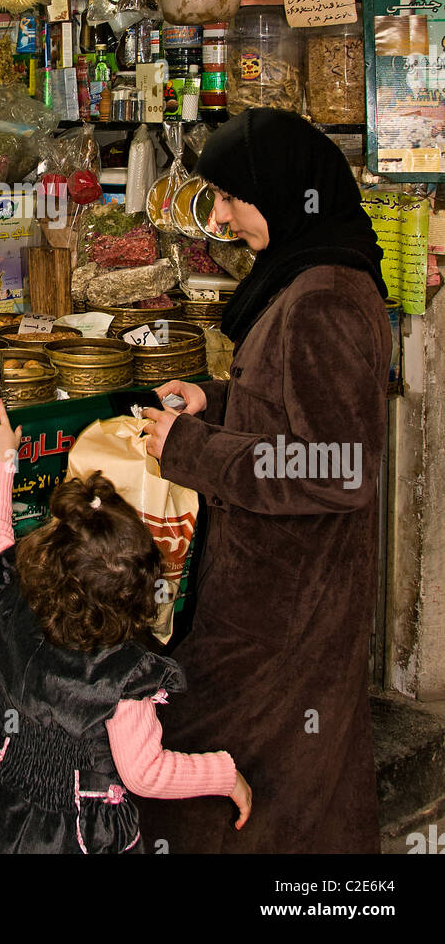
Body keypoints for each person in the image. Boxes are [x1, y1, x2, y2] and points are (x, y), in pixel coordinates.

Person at [138, 107, 391, 855]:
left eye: (230, 197)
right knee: (289, 785)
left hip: (288, 602)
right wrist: (212, 405)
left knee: (243, 779)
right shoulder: (305, 275)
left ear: (284, 194)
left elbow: (338, 468)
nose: (218, 216)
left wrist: (194, 450)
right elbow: (296, 414)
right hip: (270, 586)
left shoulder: (325, 300)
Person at [0, 399, 251, 855]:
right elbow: (146, 773)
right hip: (80, 835)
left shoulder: (10, 602)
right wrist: (226, 775)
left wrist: (2, 458)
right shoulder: (123, 677)